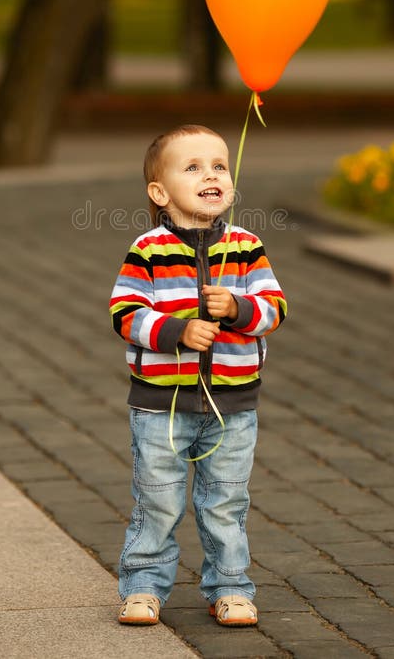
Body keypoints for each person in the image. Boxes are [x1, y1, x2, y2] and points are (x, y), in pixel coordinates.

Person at [109, 124, 286, 628]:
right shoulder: (148, 249)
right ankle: (143, 586)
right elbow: (124, 313)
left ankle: (229, 587)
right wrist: (177, 332)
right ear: (160, 193)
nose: (211, 175)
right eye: (193, 167)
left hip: (233, 404)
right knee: (158, 500)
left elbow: (274, 308)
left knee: (225, 501)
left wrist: (238, 307)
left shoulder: (247, 246)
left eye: (219, 166)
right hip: (160, 404)